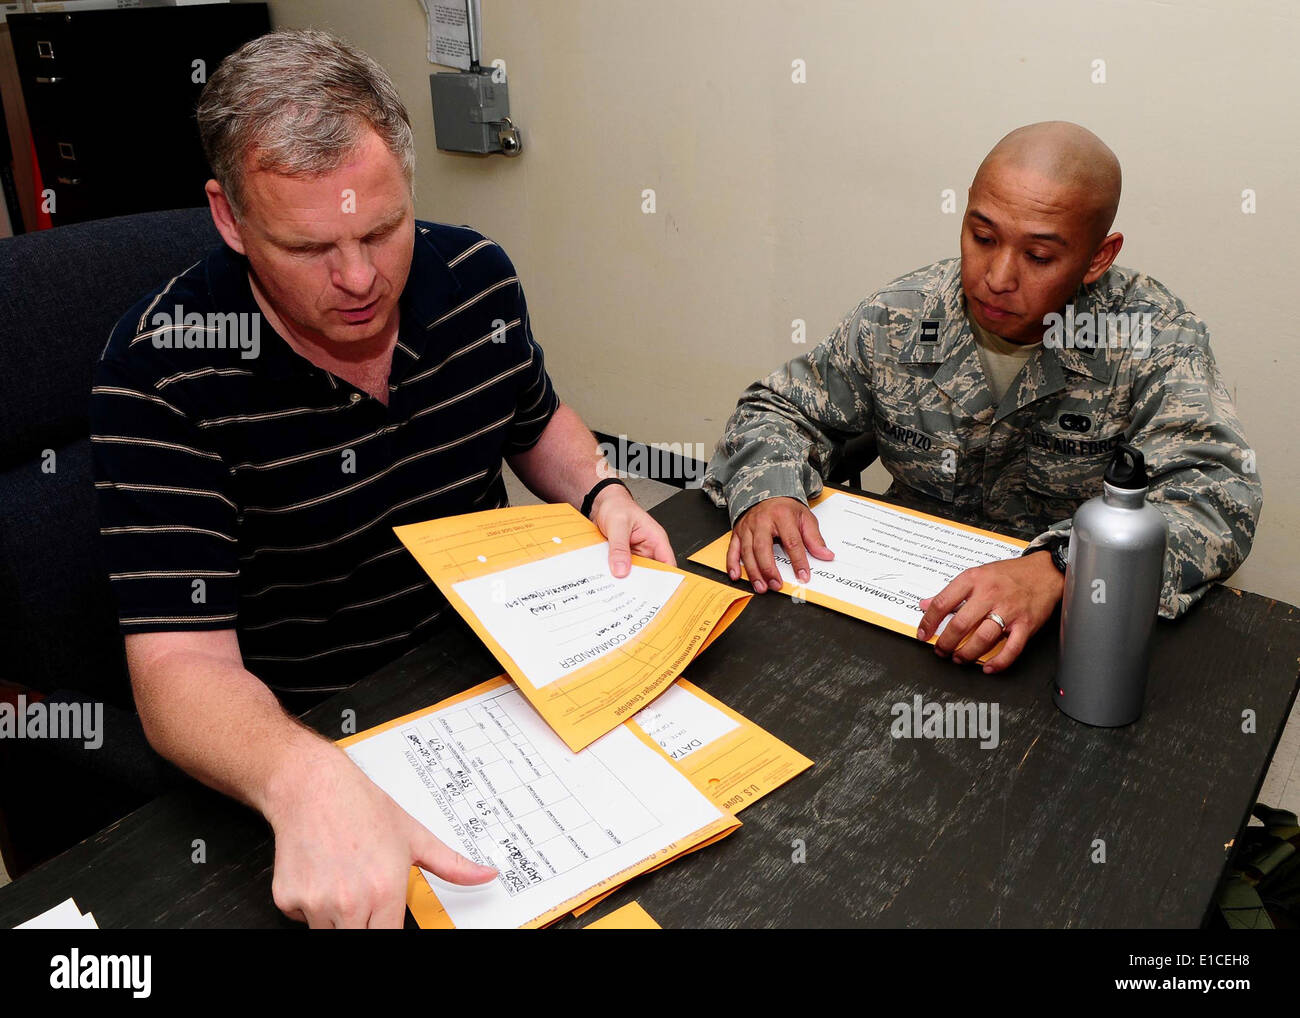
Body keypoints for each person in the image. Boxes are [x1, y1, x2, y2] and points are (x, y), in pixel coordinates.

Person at [90, 29, 673, 928]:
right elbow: (178, 670)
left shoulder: (475, 275)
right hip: (303, 737)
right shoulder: (162, 372)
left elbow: (537, 424)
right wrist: (301, 774)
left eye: (383, 229)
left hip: (497, 687)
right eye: (309, 246)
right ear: (229, 218)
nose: (361, 279)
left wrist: (603, 491)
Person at [703, 121, 1261, 674]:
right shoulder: (902, 315)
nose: (996, 277)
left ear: (1098, 257)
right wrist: (770, 492)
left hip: (1067, 636)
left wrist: (1063, 566)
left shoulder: (1153, 339)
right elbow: (778, 410)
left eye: (1039, 257)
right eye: (983, 237)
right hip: (898, 604)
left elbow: (1214, 500)